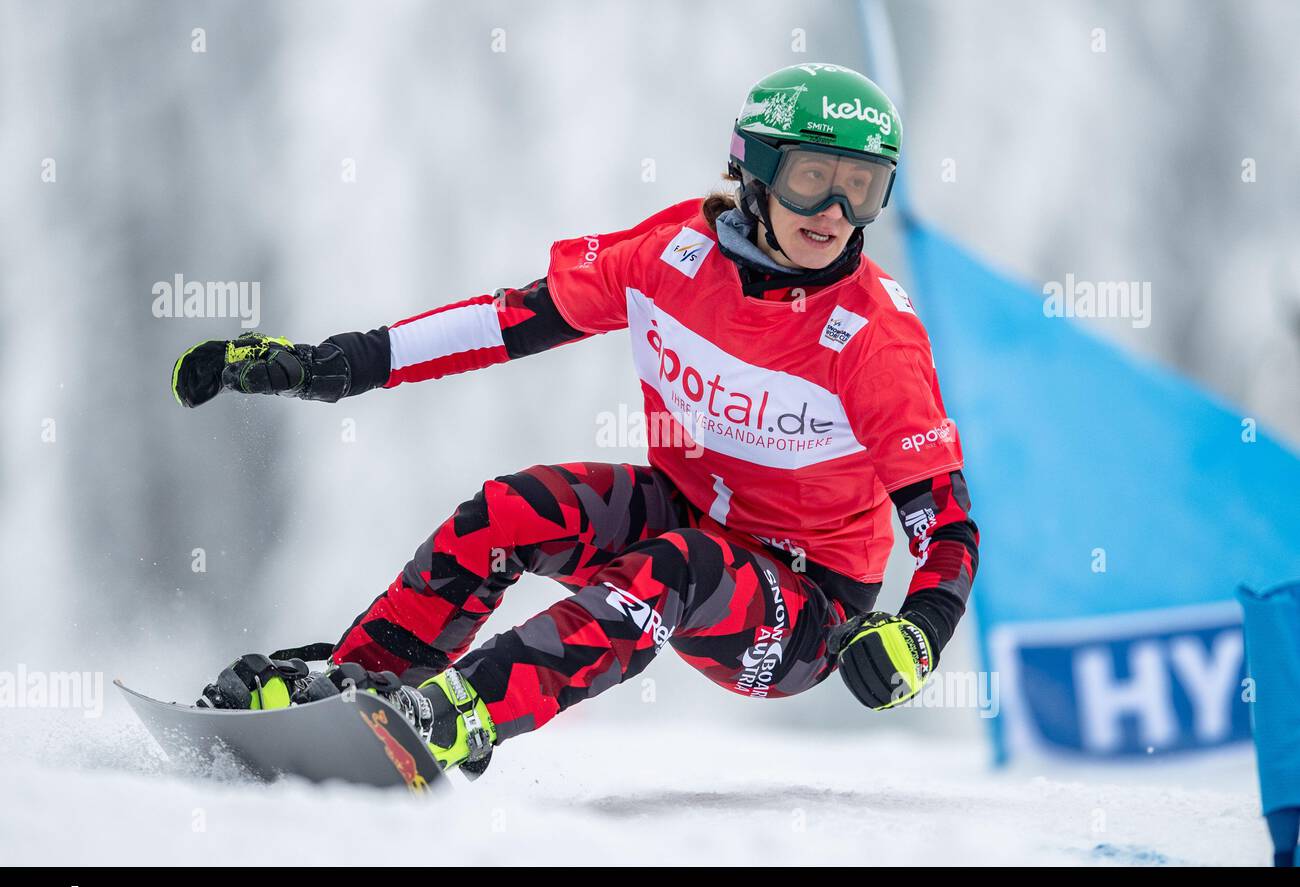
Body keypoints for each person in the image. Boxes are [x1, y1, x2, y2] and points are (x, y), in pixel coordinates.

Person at [172, 63, 979, 781]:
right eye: (813, 178)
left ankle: (454, 716)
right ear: (757, 171)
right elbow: (505, 321)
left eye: (865, 187)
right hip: (690, 510)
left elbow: (946, 526)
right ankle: (355, 687)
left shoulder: (872, 341)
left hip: (806, 605)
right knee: (510, 510)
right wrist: (330, 365)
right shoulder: (674, 257)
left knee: (678, 566)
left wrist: (916, 635)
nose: (836, 212)